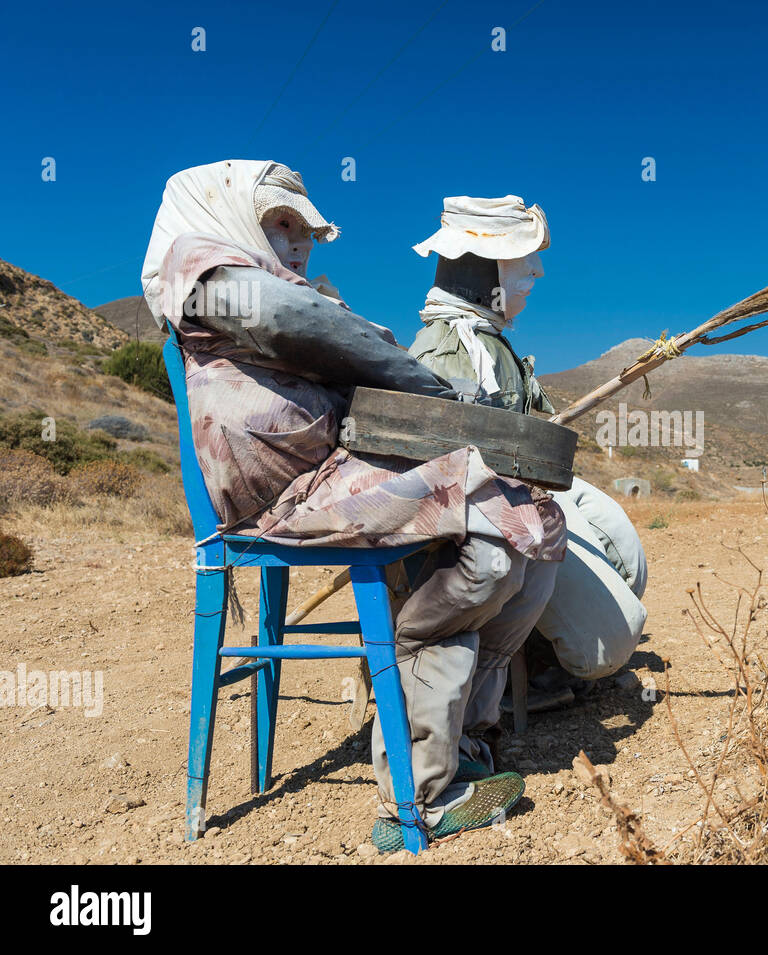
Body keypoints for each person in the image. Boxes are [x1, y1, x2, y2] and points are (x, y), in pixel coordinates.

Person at [140, 161, 565, 852]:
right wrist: (435, 388)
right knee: (489, 544)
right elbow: (292, 323)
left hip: (334, 477)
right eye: (280, 223)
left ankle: (465, 736)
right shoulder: (203, 268)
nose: (300, 241)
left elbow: (320, 330)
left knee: (533, 532)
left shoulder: (282, 284)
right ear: (233, 216)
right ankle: (420, 792)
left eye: (306, 229)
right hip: (286, 496)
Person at [410, 197, 647, 708]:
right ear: (482, 271)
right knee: (608, 644)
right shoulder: (448, 350)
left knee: (626, 551)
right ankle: (537, 665)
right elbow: (447, 464)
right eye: (523, 260)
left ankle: (540, 651)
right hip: (492, 505)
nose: (536, 271)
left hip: (523, 488)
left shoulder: (490, 341)